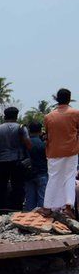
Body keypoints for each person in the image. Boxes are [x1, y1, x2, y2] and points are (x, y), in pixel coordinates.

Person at [43, 88, 79, 216]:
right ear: (69, 98)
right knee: (69, 177)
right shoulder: (75, 113)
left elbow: (47, 135)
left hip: (53, 152)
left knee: (53, 178)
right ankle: (68, 207)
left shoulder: (48, 116)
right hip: (72, 151)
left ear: (57, 99)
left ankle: (47, 207)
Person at [0, 107, 31, 213]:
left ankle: (0, 209)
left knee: (1, 186)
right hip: (17, 161)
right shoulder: (21, 128)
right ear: (16, 116)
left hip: (1, 161)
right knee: (17, 186)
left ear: (5, 116)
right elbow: (28, 144)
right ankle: (16, 209)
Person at [23, 122, 48, 211]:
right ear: (40, 131)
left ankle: (28, 222)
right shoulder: (43, 144)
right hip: (42, 174)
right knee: (42, 202)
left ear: (29, 130)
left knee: (29, 201)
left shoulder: (25, 143)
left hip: (28, 175)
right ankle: (41, 222)